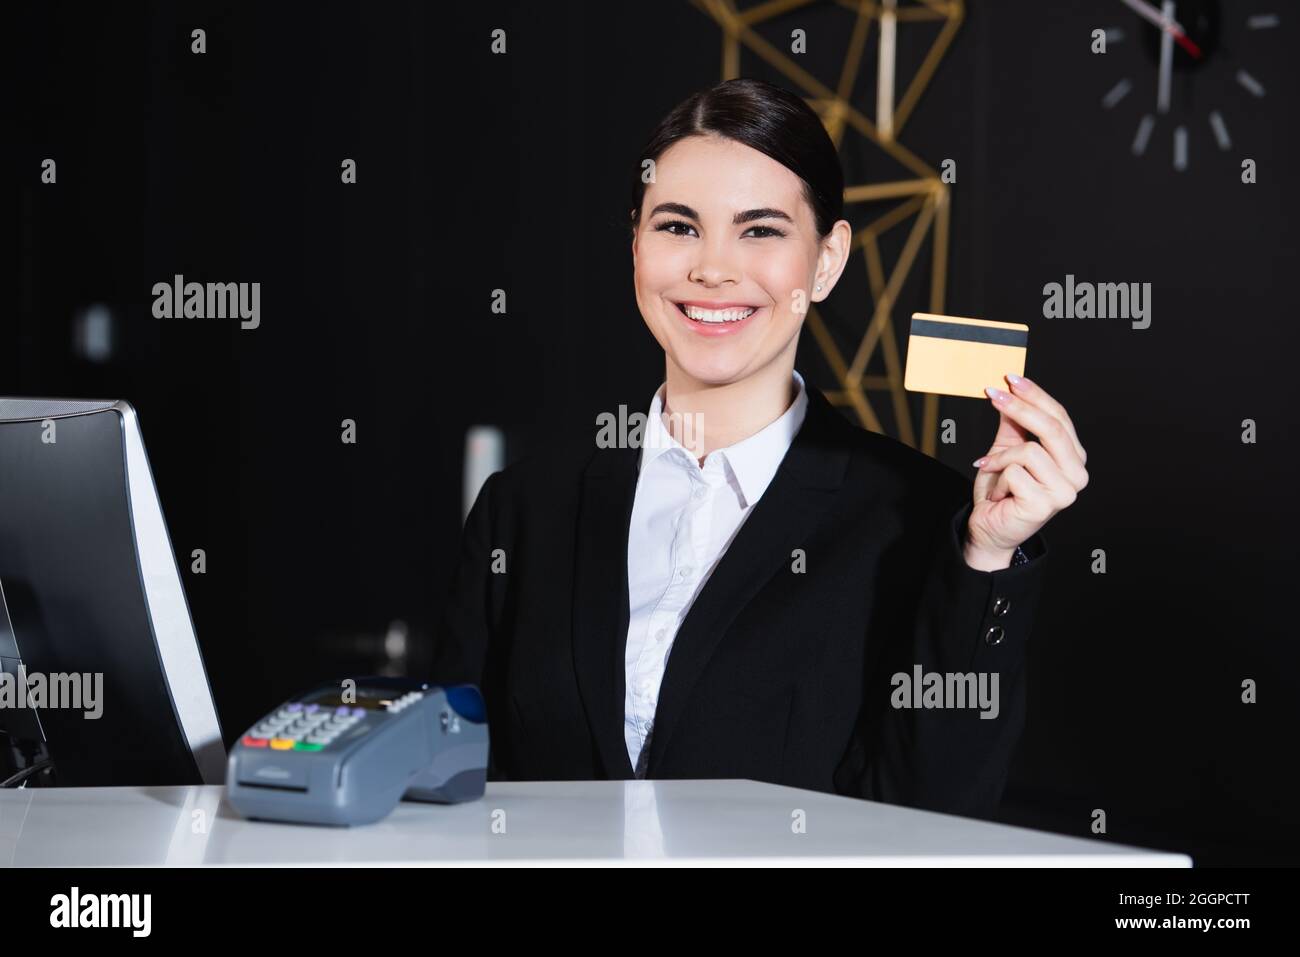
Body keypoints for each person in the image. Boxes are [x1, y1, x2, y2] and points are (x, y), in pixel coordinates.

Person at [433, 77, 1088, 819]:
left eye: (761, 230)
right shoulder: (524, 509)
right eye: (678, 226)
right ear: (637, 247)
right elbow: (449, 793)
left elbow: (936, 809)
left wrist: (988, 558)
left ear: (827, 261)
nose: (713, 268)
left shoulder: (922, 519)